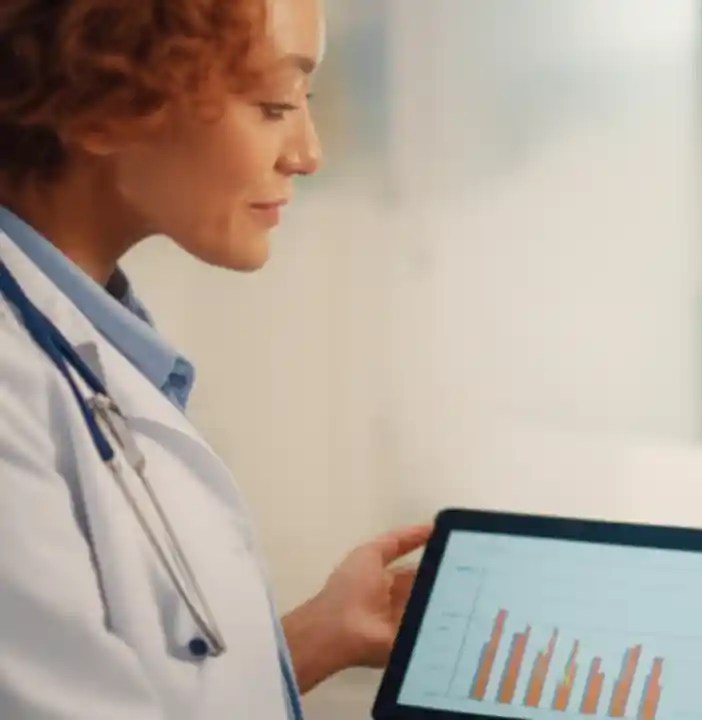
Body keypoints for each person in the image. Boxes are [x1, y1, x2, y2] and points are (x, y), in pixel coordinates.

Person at [0, 0, 429, 717]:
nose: (307, 153)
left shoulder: (87, 347)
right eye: (274, 104)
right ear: (100, 107)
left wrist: (317, 637)